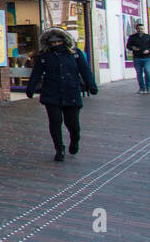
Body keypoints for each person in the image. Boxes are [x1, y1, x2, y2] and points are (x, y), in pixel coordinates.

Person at [26, 27, 98, 162]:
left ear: (64, 41)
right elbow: (36, 73)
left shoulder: (75, 54)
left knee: (73, 124)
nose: (55, 45)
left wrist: (92, 85)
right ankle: (59, 148)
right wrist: (30, 88)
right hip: (51, 93)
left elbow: (85, 70)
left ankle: (74, 140)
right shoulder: (44, 56)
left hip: (71, 92)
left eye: (58, 42)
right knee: (55, 122)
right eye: (52, 43)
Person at [126, 22, 150, 93]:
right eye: (139, 29)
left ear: (144, 29)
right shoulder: (132, 37)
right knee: (139, 72)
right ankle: (142, 88)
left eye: (142, 29)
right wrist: (132, 48)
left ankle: (149, 87)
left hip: (148, 58)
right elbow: (128, 46)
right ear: (136, 29)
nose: (140, 30)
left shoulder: (149, 37)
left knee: (147, 70)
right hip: (137, 58)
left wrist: (148, 50)